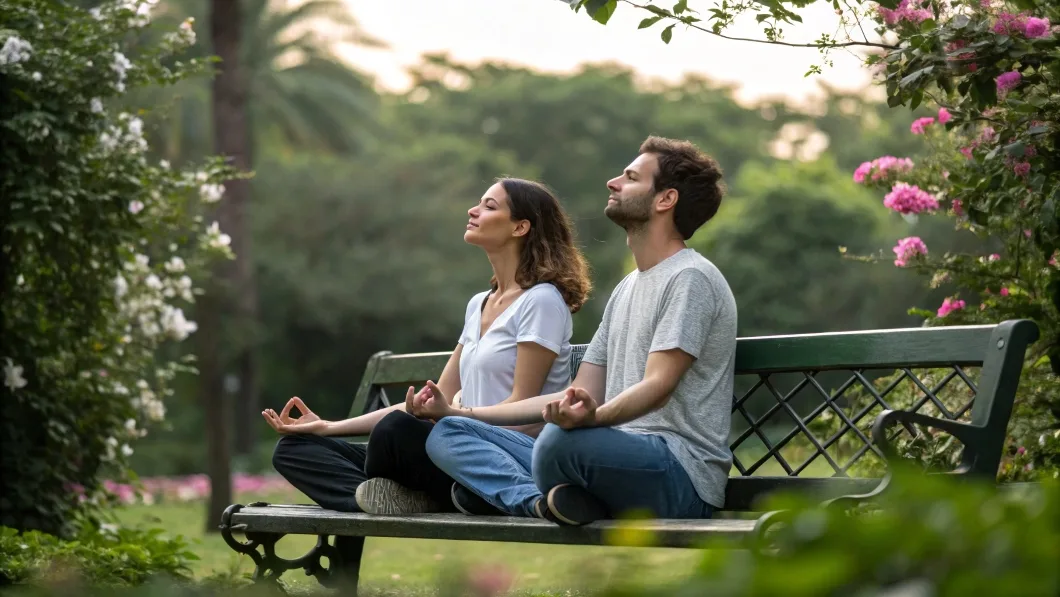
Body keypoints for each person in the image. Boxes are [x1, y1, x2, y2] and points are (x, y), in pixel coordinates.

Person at [407, 136, 736, 525]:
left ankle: (509, 492)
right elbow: (576, 393)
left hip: (677, 472)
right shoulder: (628, 287)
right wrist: (464, 412)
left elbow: (657, 386)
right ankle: (540, 502)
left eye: (630, 178)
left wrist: (590, 421)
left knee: (557, 440)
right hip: (609, 455)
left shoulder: (690, 278)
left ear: (665, 200)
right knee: (449, 431)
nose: (613, 182)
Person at [262, 178, 592, 515]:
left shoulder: (541, 301)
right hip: (448, 444)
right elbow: (431, 400)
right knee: (293, 449)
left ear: (520, 227)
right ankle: (407, 498)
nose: (473, 210)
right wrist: (327, 427)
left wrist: (457, 417)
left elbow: (523, 409)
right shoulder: (479, 303)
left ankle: (430, 493)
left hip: (490, 454)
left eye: (489, 206)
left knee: (396, 431)